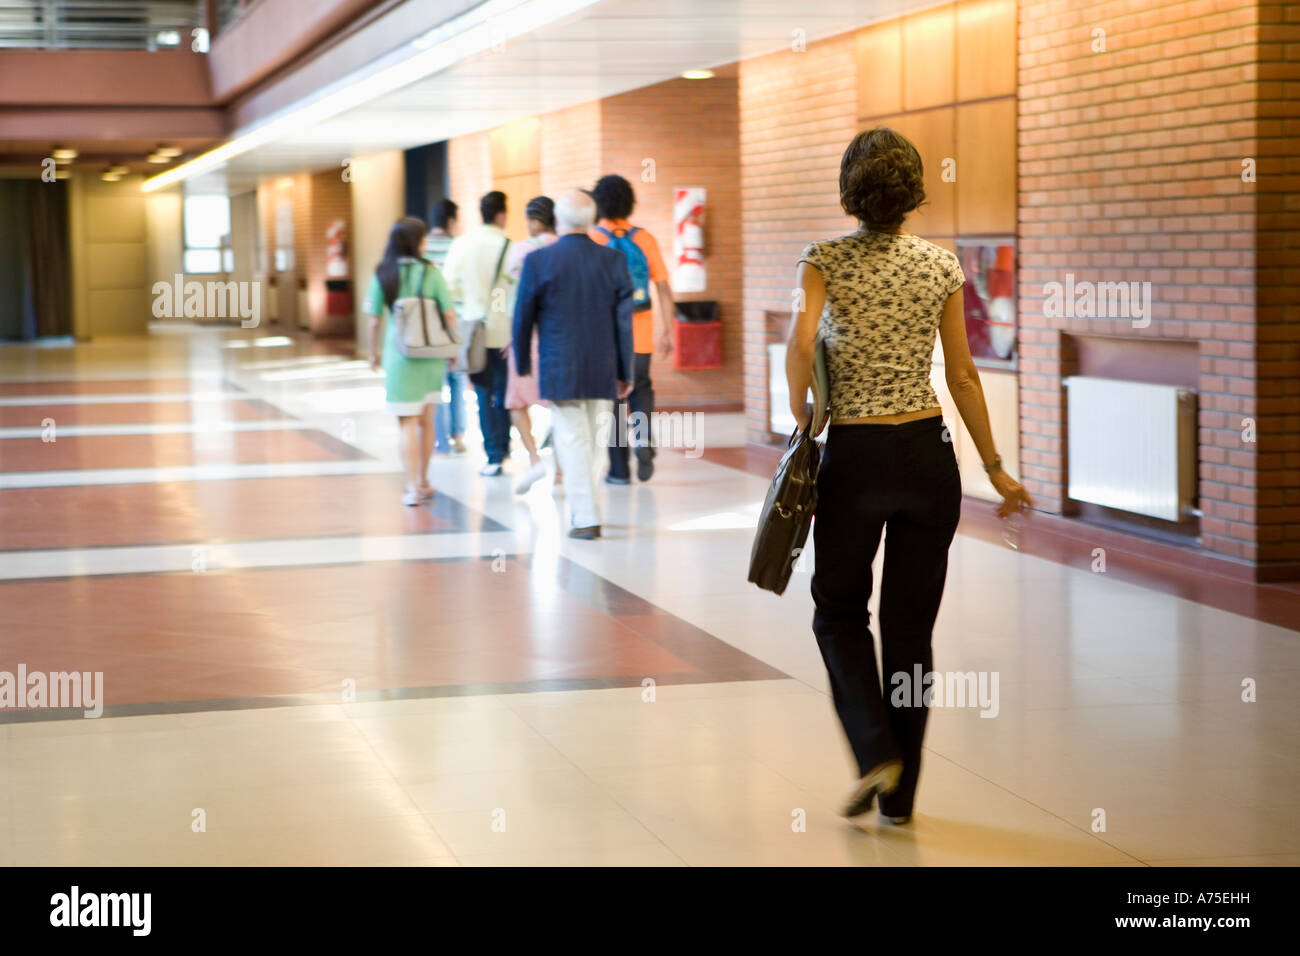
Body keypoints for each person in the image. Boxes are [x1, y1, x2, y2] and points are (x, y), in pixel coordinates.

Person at [784, 128, 1032, 825]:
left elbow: (801, 343)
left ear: (850, 189)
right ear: (912, 190)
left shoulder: (822, 261)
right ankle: (901, 798)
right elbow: (961, 374)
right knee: (910, 632)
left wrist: (798, 411)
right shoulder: (941, 266)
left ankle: (872, 751)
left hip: (855, 460)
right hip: (928, 458)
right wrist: (997, 470)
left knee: (837, 611)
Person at [513, 190, 633, 539]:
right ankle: (586, 510)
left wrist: (522, 363)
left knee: (573, 438)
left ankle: (585, 515)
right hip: (604, 364)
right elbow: (623, 322)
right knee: (594, 440)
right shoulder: (613, 261)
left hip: (560, 363)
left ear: (559, 220)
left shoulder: (539, 261)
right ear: (592, 220)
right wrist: (627, 371)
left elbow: (522, 317)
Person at [364, 216, 457, 506]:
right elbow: (449, 314)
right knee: (427, 422)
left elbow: (374, 320)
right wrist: (453, 349)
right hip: (430, 354)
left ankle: (412, 487)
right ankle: (425, 480)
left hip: (400, 355)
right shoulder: (431, 272)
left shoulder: (384, 272)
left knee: (406, 423)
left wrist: (372, 352)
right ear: (417, 241)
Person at [589, 174, 674, 484]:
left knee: (611, 399)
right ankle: (643, 437)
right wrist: (669, 331)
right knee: (640, 388)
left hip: (606, 337)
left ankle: (619, 471)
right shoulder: (644, 238)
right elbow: (663, 287)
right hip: (641, 332)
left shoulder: (593, 239)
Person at [443, 190, 513, 477]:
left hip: (475, 331)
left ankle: (493, 454)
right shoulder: (511, 246)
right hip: (505, 331)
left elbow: (450, 288)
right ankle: (506, 445)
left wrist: (472, 301)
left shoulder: (463, 244)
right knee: (506, 391)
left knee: (483, 393)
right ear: (502, 215)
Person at [504, 196, 561, 494]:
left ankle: (535, 459)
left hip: (528, 336)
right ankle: (562, 471)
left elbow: (515, 299)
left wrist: (512, 337)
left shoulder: (523, 251)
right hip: (560, 336)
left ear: (535, 220)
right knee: (561, 405)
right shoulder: (565, 248)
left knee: (517, 401)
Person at [426, 198, 467, 456]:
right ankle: (458, 435)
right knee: (457, 381)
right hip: (458, 319)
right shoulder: (458, 247)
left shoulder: (422, 249)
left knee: (436, 383)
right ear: (451, 220)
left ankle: (440, 440)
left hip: (431, 324)